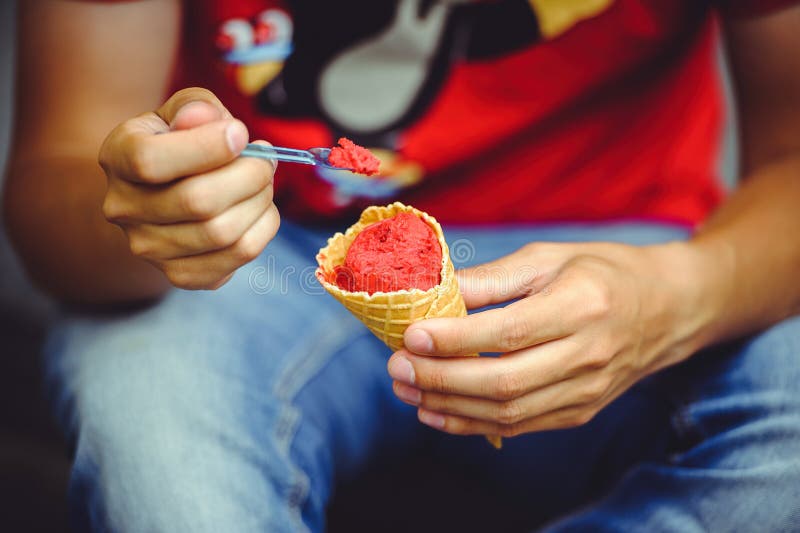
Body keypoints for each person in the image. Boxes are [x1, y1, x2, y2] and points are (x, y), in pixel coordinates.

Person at [4, 0, 800, 531]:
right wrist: (152, 214)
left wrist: (687, 294)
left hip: (626, 252)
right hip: (270, 259)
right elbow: (58, 172)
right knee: (154, 432)